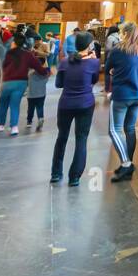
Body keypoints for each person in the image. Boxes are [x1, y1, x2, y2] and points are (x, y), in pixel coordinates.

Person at [50, 32, 99, 186]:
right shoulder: (94, 63)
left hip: (66, 103)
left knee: (62, 137)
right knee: (81, 139)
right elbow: (94, 80)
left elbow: (58, 84)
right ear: (90, 46)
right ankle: (75, 176)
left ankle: (56, 173)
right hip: (85, 103)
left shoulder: (64, 62)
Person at [105, 22, 138, 182]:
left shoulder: (117, 50)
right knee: (130, 129)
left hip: (122, 95)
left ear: (124, 33)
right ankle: (127, 166)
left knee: (114, 130)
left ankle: (126, 163)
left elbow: (108, 68)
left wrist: (113, 74)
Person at [0, 36, 49, 136]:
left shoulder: (8, 53)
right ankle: (14, 127)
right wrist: (45, 72)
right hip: (21, 83)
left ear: (14, 43)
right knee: (15, 105)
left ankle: (1, 125)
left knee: (3, 103)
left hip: (6, 82)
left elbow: (1, 66)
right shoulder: (28, 55)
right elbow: (38, 66)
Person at [26, 42, 51, 132]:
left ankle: (29, 121)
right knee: (40, 107)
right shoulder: (45, 75)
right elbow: (46, 79)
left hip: (31, 95)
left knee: (30, 109)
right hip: (41, 94)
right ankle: (40, 118)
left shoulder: (30, 73)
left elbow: (27, 82)